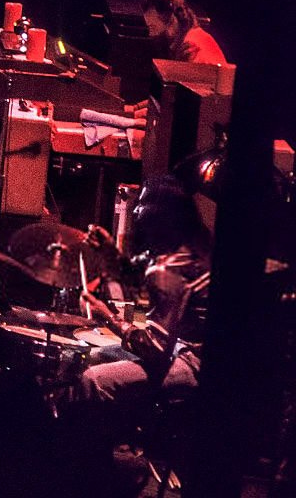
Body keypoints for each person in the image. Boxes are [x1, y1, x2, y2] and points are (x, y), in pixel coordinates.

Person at [60, 174, 211, 496]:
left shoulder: (173, 265)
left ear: (159, 222)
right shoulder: (196, 247)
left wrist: (108, 317)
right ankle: (120, 449)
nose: (140, 224)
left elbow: (155, 347)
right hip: (188, 349)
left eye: (144, 218)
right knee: (103, 354)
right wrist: (113, 257)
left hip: (197, 365)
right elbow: (151, 300)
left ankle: (104, 473)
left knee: (94, 379)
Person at [140, 0, 227, 64]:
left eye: (153, 28)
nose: (151, 34)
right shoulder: (196, 36)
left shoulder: (190, 48)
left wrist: (179, 66)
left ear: (170, 19)